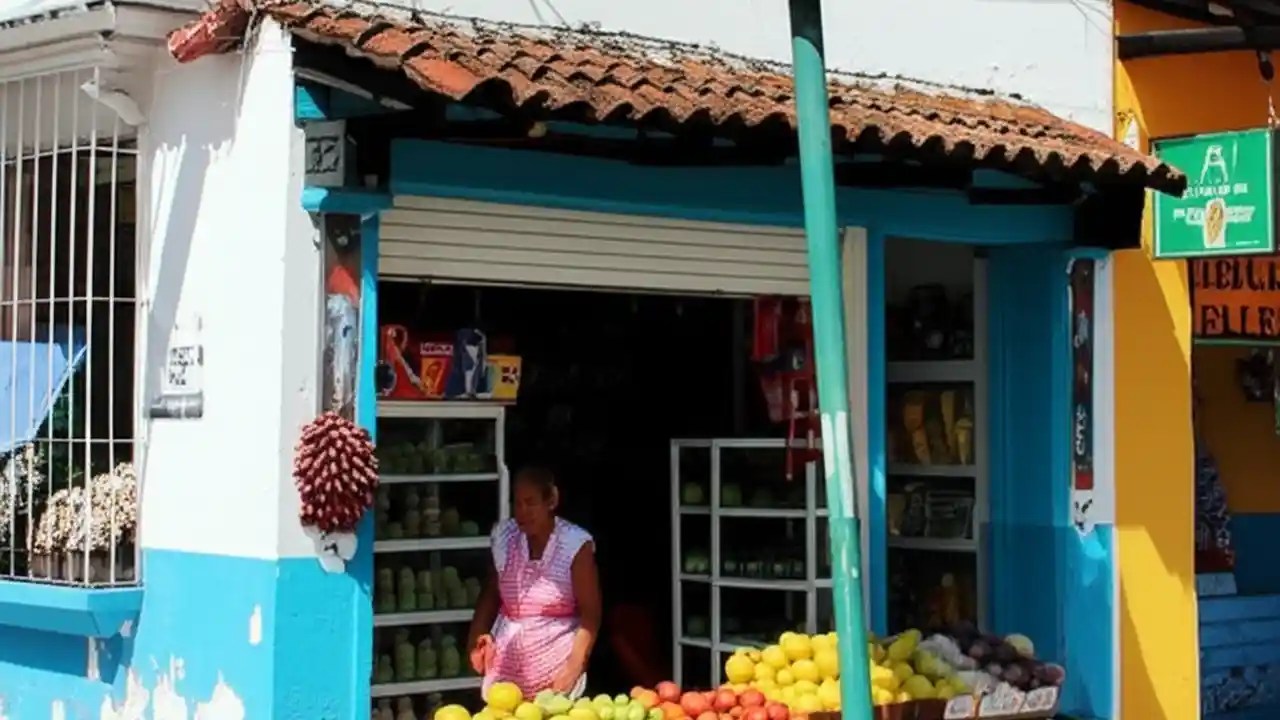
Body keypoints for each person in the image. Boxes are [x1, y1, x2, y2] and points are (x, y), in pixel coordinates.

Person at [468, 466, 602, 699]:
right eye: (517, 504)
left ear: (551, 501)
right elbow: (490, 593)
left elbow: (591, 614)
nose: (522, 512)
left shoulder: (575, 545)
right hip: (506, 673)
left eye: (530, 503)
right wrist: (477, 637)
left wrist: (574, 666)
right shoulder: (505, 537)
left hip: (558, 674)